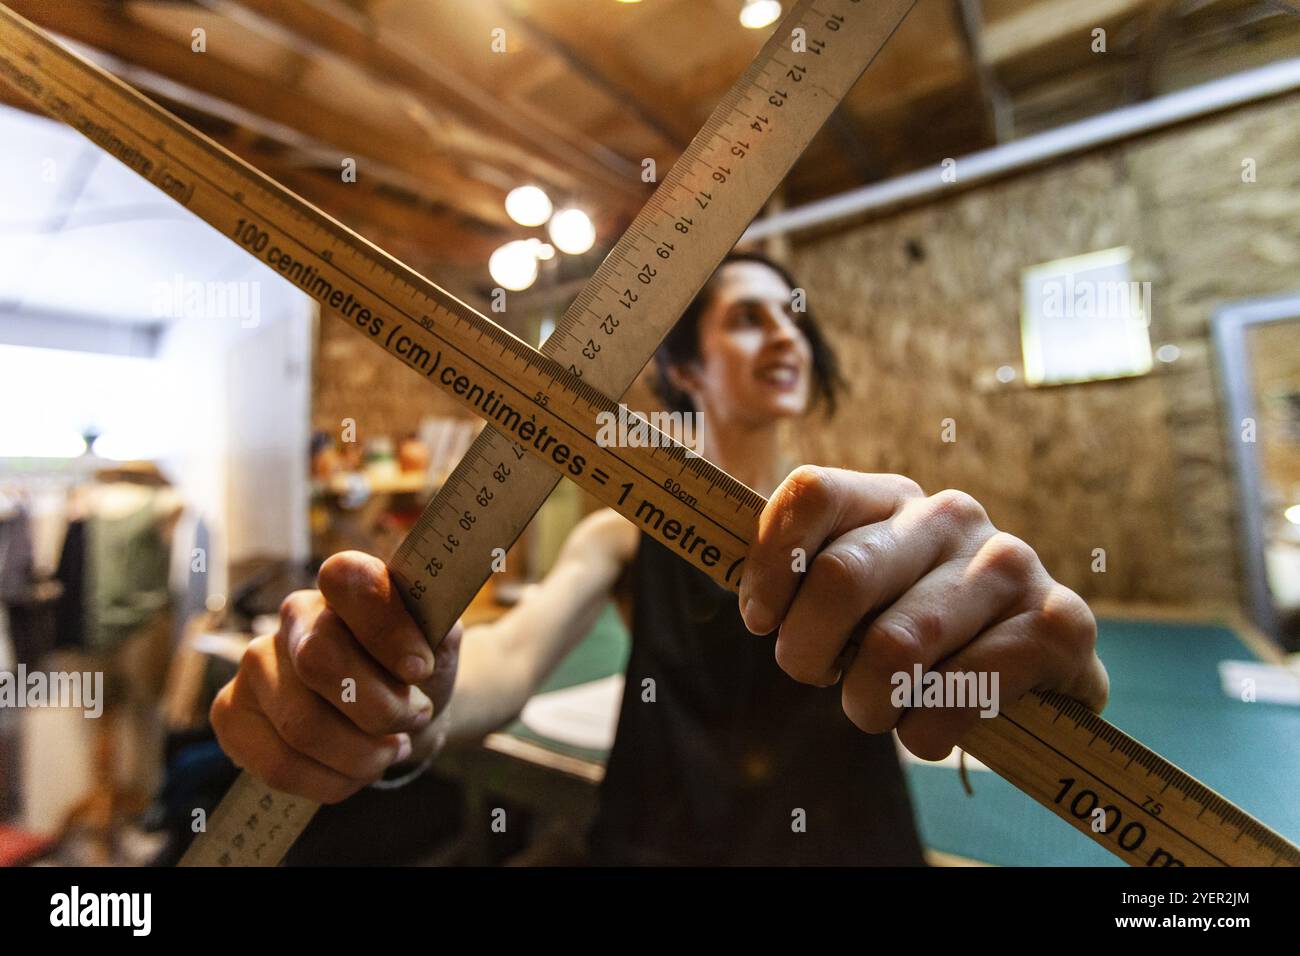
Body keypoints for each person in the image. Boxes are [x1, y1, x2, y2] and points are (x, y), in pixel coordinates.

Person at [211, 252, 1109, 865]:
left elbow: (969, 680)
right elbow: (506, 658)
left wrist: (1016, 666)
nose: (785, 337)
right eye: (747, 321)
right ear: (685, 370)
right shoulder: (623, 534)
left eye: (792, 320)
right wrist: (410, 693)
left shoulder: (873, 537)